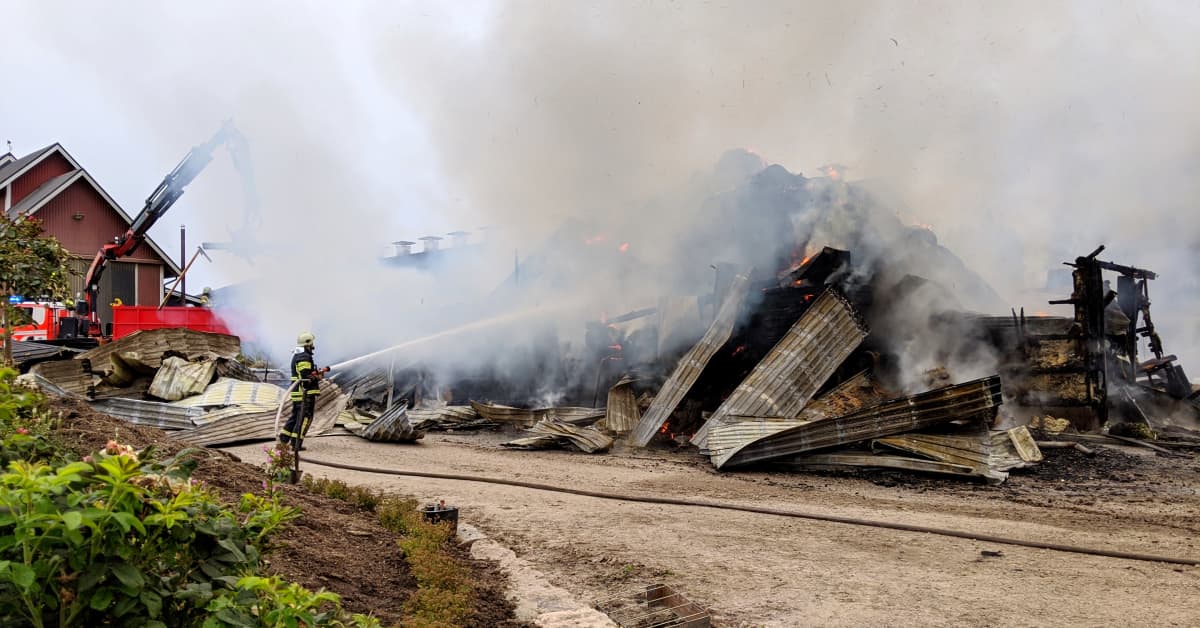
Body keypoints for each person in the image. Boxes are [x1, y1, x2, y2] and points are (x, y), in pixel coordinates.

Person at [279, 332, 326, 451]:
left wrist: (315, 374)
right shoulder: (304, 357)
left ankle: (284, 439)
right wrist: (317, 377)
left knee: (296, 416)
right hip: (304, 392)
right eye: (311, 344)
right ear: (307, 344)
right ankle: (296, 444)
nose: (313, 346)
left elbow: (305, 375)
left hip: (298, 392)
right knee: (305, 418)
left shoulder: (298, 355)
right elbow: (305, 378)